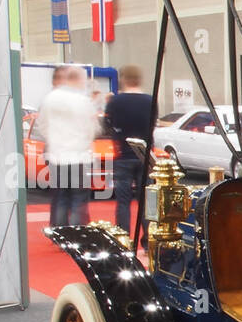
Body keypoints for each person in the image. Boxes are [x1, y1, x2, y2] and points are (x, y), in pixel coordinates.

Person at [33, 65, 99, 227]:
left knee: (61, 197)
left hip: (57, 155)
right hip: (79, 156)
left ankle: (59, 233)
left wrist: (53, 139)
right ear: (78, 80)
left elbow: (41, 125)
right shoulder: (83, 101)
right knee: (78, 199)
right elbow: (92, 128)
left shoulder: (50, 98)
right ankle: (76, 233)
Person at [105, 65, 154, 235]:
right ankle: (148, 240)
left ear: (123, 79)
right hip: (144, 156)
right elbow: (152, 124)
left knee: (123, 201)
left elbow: (109, 124)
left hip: (123, 156)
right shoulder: (150, 100)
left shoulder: (115, 102)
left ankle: (123, 235)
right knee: (146, 201)